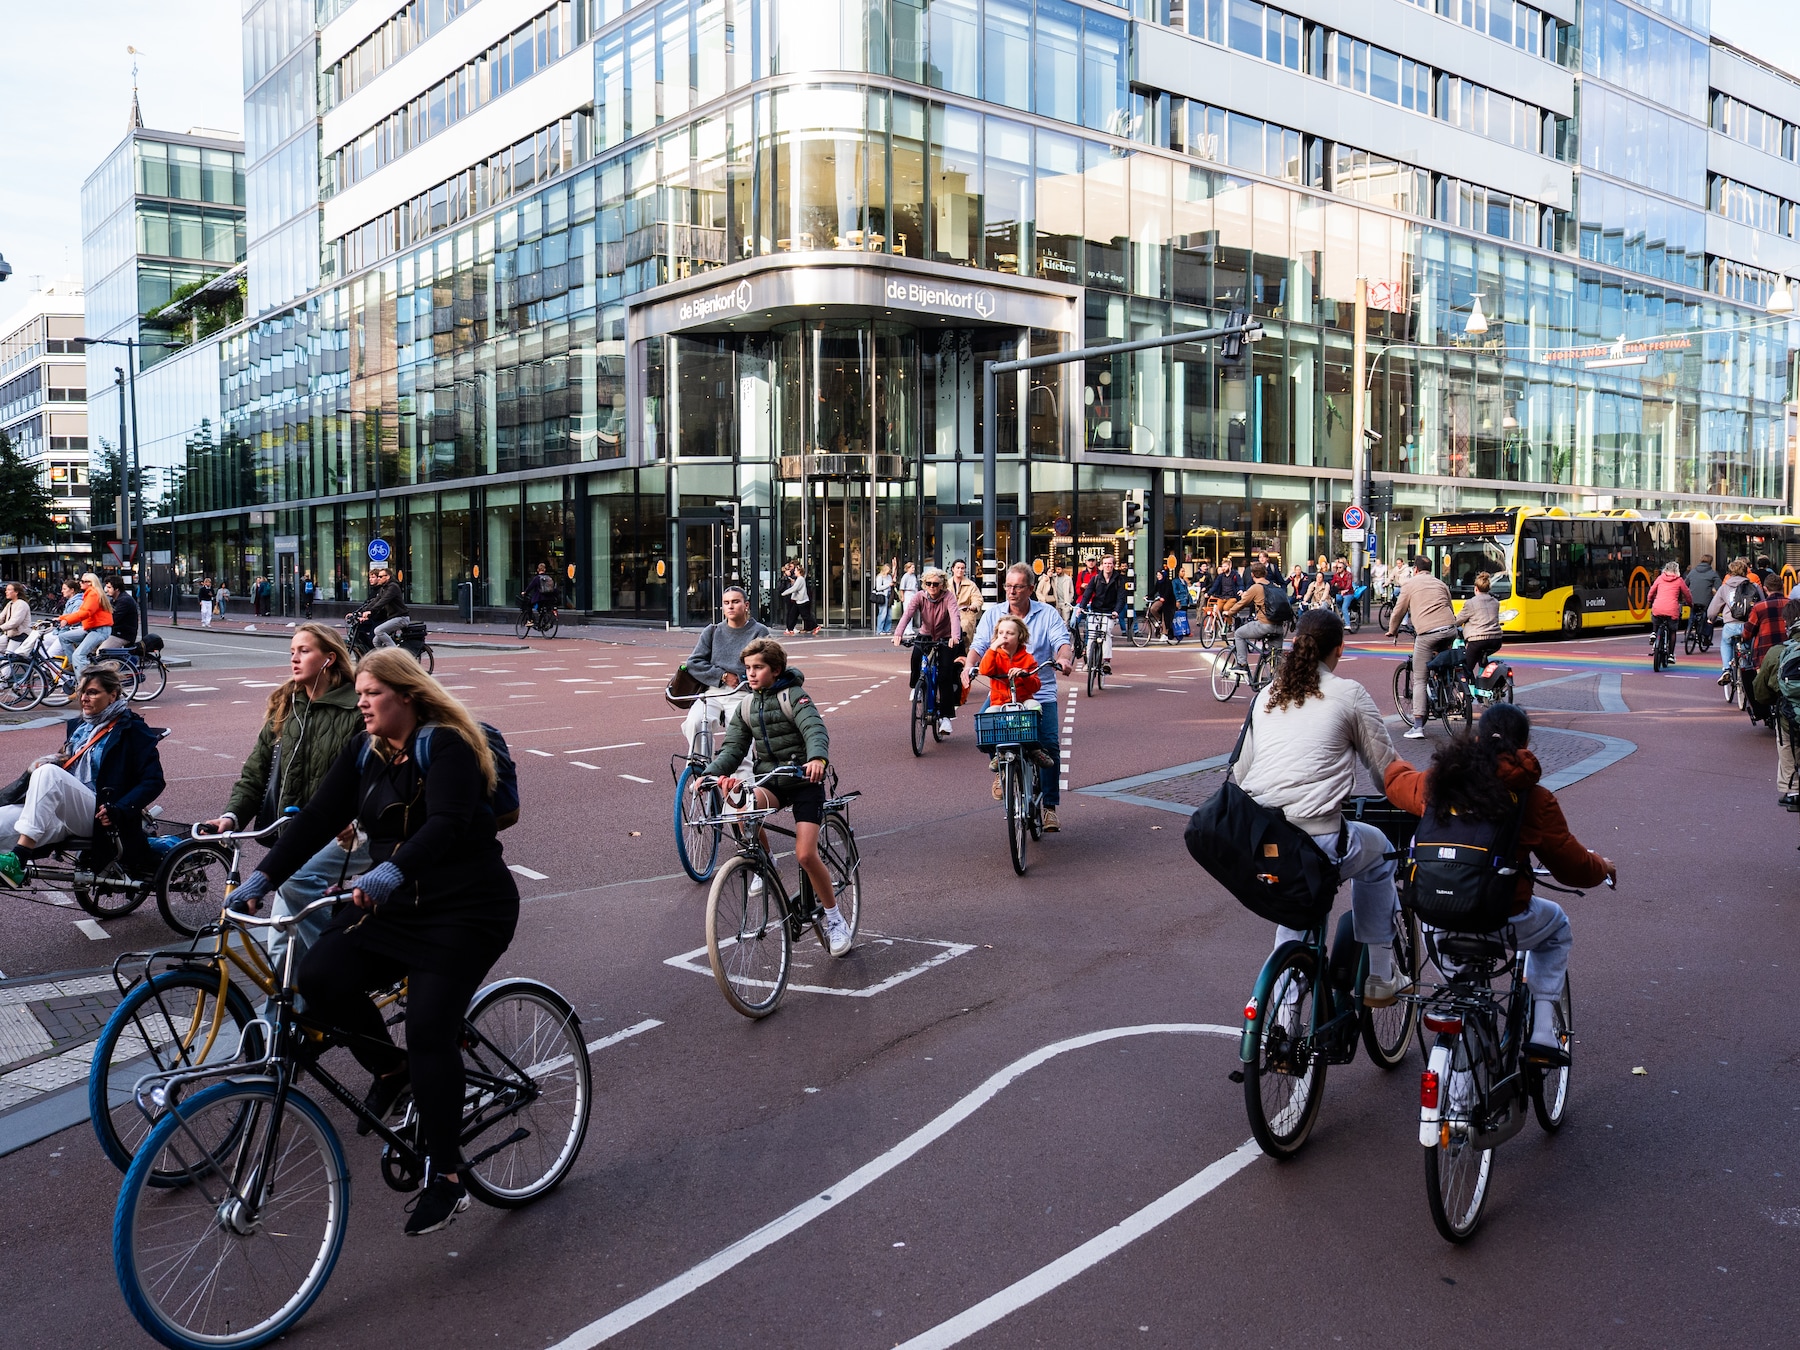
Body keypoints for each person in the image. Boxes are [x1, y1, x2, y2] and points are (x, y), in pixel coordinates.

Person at [229, 650, 521, 1236]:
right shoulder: (365, 750)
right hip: (399, 906)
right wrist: (263, 878)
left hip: (467, 909)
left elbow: (446, 823)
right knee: (319, 977)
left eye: (373, 693)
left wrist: (391, 870)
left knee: (429, 1028)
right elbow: (317, 818)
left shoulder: (447, 745)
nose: (362, 703)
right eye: (359, 693)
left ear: (406, 695)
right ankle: (393, 1070)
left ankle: (447, 1178)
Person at [1383, 703, 1616, 1062]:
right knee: (1556, 929)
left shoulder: (1439, 782)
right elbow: (1572, 866)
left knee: (1458, 984)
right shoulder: (1534, 798)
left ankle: (1461, 1040)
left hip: (1435, 913)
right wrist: (1602, 867)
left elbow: (1397, 785)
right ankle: (1543, 1033)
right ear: (1524, 745)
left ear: (1476, 739)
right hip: (1501, 917)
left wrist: (1394, 762)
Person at [1231, 609, 1409, 1007]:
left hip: (1263, 838)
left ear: (1295, 644)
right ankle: (1381, 976)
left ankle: (1280, 1018)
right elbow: (1385, 770)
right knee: (1380, 854)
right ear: (1339, 650)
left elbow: (1242, 772)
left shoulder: (1266, 695)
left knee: (1293, 912)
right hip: (1318, 836)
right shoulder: (1349, 694)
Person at [201, 623, 368, 981]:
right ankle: (297, 1016)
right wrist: (232, 816)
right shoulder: (285, 706)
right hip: (294, 841)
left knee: (299, 903)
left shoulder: (357, 709)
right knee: (281, 955)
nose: (294, 658)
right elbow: (256, 771)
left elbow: (370, 778)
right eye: (292, 651)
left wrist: (355, 821)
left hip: (341, 838)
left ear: (330, 658)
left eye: (304, 651)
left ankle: (343, 967)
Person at [699, 637, 851, 955]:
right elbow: (733, 748)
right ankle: (766, 860)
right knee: (740, 806)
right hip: (772, 781)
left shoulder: (794, 697)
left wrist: (817, 759)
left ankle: (835, 919)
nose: (751, 674)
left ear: (776, 669)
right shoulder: (747, 706)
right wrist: (710, 774)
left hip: (805, 780)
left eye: (758, 667)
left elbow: (815, 730)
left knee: (806, 855)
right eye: (747, 668)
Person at [0, 666, 166, 887]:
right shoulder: (80, 727)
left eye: (92, 692)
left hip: (98, 813)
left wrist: (120, 808)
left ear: (113, 695)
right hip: (62, 811)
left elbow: (154, 781)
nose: (84, 698)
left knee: (49, 774)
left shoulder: (133, 729)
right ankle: (9, 868)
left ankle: (19, 857)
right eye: (81, 692)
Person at [966, 563, 1074, 832]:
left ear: (1030, 588)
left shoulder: (1047, 614)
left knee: (1049, 743)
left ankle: (1049, 807)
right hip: (1001, 692)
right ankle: (1003, 769)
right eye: (1008, 586)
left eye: (1017, 587)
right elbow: (979, 644)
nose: (1011, 591)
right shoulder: (994, 614)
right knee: (984, 727)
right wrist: (968, 666)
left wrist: (1063, 659)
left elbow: (1061, 641)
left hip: (1038, 690)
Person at [682, 584, 770, 752]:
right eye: (726, 602)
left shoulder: (759, 632)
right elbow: (694, 662)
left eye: (735, 602)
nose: (730, 606)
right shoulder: (712, 631)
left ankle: (741, 768)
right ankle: (701, 765)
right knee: (695, 722)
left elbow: (767, 665)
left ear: (746, 605)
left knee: (739, 737)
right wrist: (722, 676)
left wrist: (742, 679)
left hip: (743, 693)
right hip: (712, 692)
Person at [976, 613, 1046, 800]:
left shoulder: (1027, 658)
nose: (1004, 637)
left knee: (1034, 707)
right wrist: (993, 647)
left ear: (1020, 636)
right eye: (1001, 633)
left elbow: (1035, 685)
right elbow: (985, 669)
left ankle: (1034, 748)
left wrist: (1025, 674)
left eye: (1010, 633)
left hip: (1022, 701)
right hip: (1000, 703)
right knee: (989, 715)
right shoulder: (995, 655)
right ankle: (998, 755)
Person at [1388, 554, 1458, 739]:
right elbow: (1450, 608)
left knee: (1419, 678)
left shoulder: (1409, 585)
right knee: (1444, 663)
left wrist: (1392, 630)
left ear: (1415, 569)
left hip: (1428, 633)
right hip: (1449, 629)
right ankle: (1450, 696)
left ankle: (1418, 726)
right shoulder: (1440, 584)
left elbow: (1398, 611)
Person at [895, 566, 963, 737]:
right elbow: (907, 615)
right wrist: (898, 634)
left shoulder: (948, 597)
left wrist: (955, 637)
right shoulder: (919, 596)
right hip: (925, 634)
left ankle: (946, 718)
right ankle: (915, 687)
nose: (932, 586)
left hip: (946, 637)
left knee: (945, 676)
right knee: (916, 657)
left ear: (942, 585)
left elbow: (955, 617)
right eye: (928, 583)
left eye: (935, 584)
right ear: (924, 584)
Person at [1752, 604, 1800, 806]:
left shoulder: (1777, 652)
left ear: (1787, 623)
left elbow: (1760, 692)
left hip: (1790, 716)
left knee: (1787, 742)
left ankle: (1793, 790)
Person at [1707, 557, 1761, 685]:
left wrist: (1711, 618)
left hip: (1730, 625)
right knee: (1748, 647)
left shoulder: (1724, 588)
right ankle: (1747, 670)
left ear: (1730, 572)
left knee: (1726, 643)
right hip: (1748, 625)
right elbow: (1762, 604)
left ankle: (1727, 669)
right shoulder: (1754, 586)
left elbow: (1713, 608)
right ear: (1746, 571)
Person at [1222, 562, 1284, 672]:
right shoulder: (1274, 586)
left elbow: (1241, 603)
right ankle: (1276, 676)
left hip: (1264, 625)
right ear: (1265, 573)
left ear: (1252, 574)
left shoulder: (1256, 588)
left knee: (1239, 634)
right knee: (1276, 658)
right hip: (1279, 626)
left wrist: (1229, 612)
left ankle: (1242, 664)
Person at [58, 572, 114, 682]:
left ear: (90, 583)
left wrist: (67, 620)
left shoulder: (93, 594)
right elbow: (81, 612)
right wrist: (61, 618)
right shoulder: (89, 594)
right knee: (63, 637)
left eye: (83, 581)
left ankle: (83, 685)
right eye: (81, 581)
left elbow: (86, 613)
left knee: (78, 655)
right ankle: (74, 665)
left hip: (99, 630)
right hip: (91, 629)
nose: (80, 583)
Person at [1077, 554, 1124, 674]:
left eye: (1110, 563)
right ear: (1102, 565)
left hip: (1109, 612)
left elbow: (1121, 598)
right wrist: (1081, 607)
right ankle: (1089, 662)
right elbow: (1087, 594)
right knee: (1091, 635)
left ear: (1113, 565)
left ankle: (1106, 661)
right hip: (1095, 610)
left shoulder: (1119, 580)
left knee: (1106, 632)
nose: (1108, 566)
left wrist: (1116, 611)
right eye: (1105, 563)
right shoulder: (1096, 579)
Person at [1645, 562, 1691, 668]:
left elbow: (1651, 591)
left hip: (1658, 607)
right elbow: (1687, 593)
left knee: (1656, 617)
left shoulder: (1660, 578)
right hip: (1672, 609)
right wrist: (1690, 604)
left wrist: (1650, 600)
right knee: (1672, 631)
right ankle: (1671, 655)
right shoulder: (1679, 580)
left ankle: (1654, 633)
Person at [1457, 572, 1504, 672]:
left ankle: (1469, 680)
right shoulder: (1495, 602)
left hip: (1478, 640)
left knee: (1466, 668)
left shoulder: (1470, 603)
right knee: (1481, 656)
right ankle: (1483, 676)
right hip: (1496, 640)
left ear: (1476, 588)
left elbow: (1458, 621)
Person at [354, 566, 408, 649]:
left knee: (378, 630)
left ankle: (396, 653)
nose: (378, 578)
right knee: (376, 641)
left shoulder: (393, 587)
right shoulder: (383, 588)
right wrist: (361, 612)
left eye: (380, 577)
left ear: (387, 577)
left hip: (401, 618)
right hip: (393, 618)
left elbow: (383, 601)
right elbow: (375, 601)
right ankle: (384, 657)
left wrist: (371, 611)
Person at [1684, 554, 1718, 646]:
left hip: (1692, 600)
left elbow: (1685, 584)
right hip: (1706, 601)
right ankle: (1706, 637)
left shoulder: (1692, 572)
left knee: (1692, 613)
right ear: (1711, 562)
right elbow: (1719, 587)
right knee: (1710, 616)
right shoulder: (1713, 573)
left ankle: (1688, 630)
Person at [99, 577, 140, 653]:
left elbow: (113, 619)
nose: (106, 590)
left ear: (117, 589)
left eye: (109, 587)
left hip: (122, 635)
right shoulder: (114, 600)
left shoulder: (124, 600)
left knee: (101, 651)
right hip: (114, 632)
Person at [1, 582, 30, 654]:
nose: (6, 591)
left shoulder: (21, 604)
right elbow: (1, 617)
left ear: (16, 592)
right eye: (6, 590)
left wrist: (1, 628)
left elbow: (15, 622)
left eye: (9, 590)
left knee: (9, 657)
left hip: (19, 636)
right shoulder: (10, 603)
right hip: (9, 634)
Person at [1329, 556, 1356, 625]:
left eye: (1340, 567)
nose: (1338, 569)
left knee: (1344, 607)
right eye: (1337, 567)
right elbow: (1332, 582)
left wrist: (1345, 590)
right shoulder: (1336, 575)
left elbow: (1349, 585)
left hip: (1348, 593)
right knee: (1337, 601)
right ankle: (1343, 614)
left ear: (1344, 568)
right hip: (1340, 593)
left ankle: (1348, 625)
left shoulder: (1348, 574)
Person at [873, 563, 896, 635]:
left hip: (889, 596)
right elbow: (878, 588)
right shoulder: (880, 577)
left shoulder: (889, 576)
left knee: (889, 614)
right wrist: (888, 585)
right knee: (882, 613)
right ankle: (880, 630)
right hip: (883, 596)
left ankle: (887, 629)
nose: (889, 571)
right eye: (888, 570)